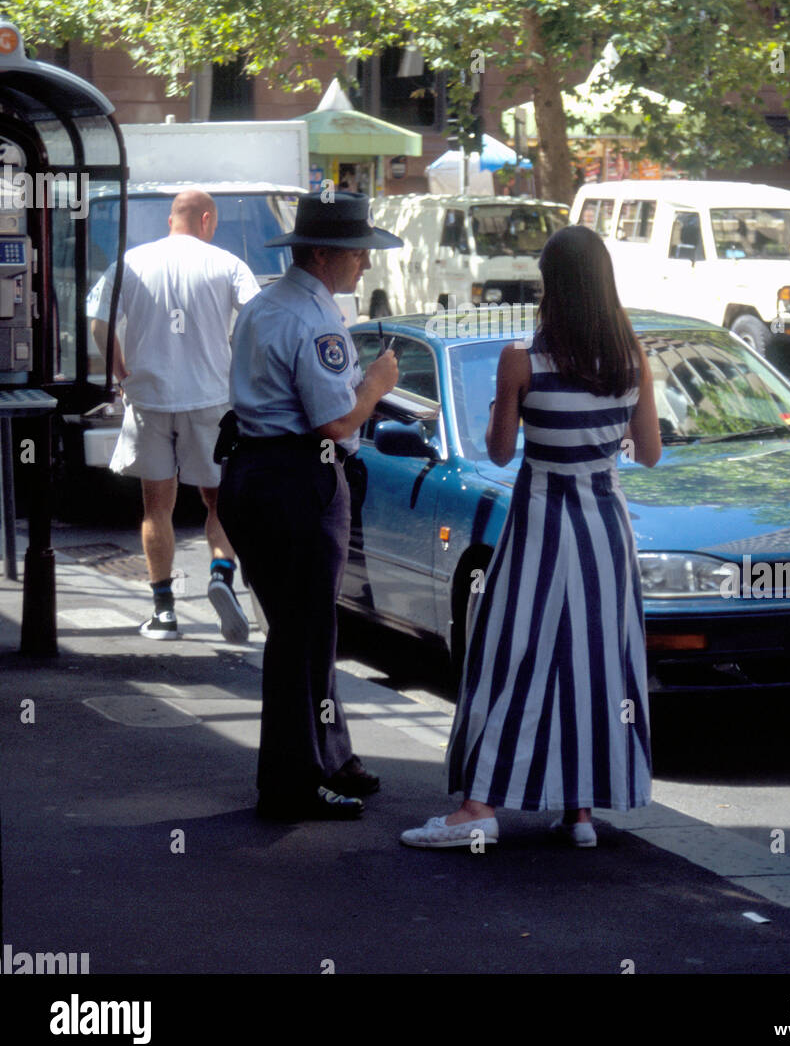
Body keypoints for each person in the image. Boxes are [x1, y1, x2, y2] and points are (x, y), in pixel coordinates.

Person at [401, 223, 662, 850]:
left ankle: (479, 807)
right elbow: (649, 453)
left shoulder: (522, 358)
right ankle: (580, 814)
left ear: (551, 285)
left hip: (543, 519)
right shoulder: (631, 358)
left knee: (511, 652)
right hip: (604, 525)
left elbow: (497, 451)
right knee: (594, 659)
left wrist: (504, 402)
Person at [216, 191, 401, 822]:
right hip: (299, 481)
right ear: (323, 255)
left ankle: (328, 756)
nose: (365, 267)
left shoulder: (268, 304)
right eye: (357, 254)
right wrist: (377, 384)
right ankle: (292, 781)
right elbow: (335, 422)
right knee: (302, 636)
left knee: (305, 629)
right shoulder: (314, 320)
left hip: (254, 473)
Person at [88, 189, 259, 643]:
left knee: (156, 507)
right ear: (206, 220)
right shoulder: (227, 264)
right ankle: (221, 574)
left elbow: (97, 324)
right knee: (218, 500)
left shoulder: (132, 262)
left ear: (171, 220)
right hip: (210, 400)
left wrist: (121, 370)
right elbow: (258, 318)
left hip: (149, 399)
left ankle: (164, 613)